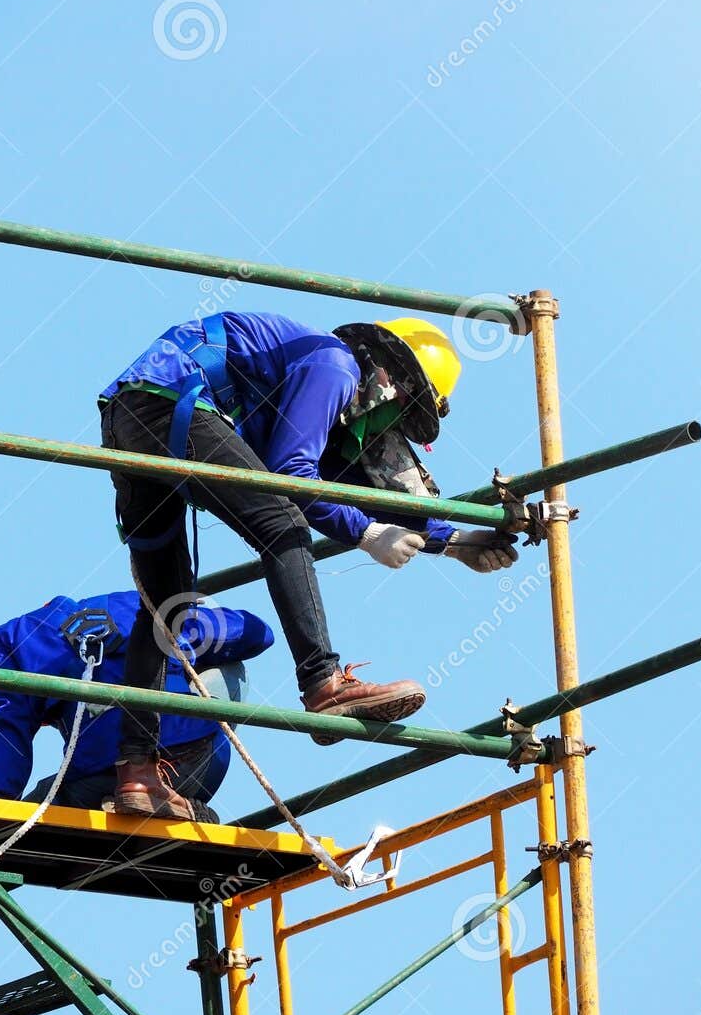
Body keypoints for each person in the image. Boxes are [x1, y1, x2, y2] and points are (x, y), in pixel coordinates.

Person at [98, 310, 519, 813]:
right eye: (405, 406)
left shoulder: (318, 397)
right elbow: (293, 477)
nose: (394, 423)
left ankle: (136, 775)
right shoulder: (335, 366)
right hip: (175, 404)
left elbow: (356, 489)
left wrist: (454, 541)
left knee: (166, 605)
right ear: (388, 373)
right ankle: (323, 681)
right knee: (286, 525)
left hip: (137, 413)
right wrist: (364, 533)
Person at [0, 590, 274, 824]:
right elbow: (261, 634)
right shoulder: (143, 604)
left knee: (43, 801)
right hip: (187, 763)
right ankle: (168, 796)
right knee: (234, 668)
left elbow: (8, 732)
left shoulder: (10, 640)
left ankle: (118, 796)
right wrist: (197, 631)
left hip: (91, 782)